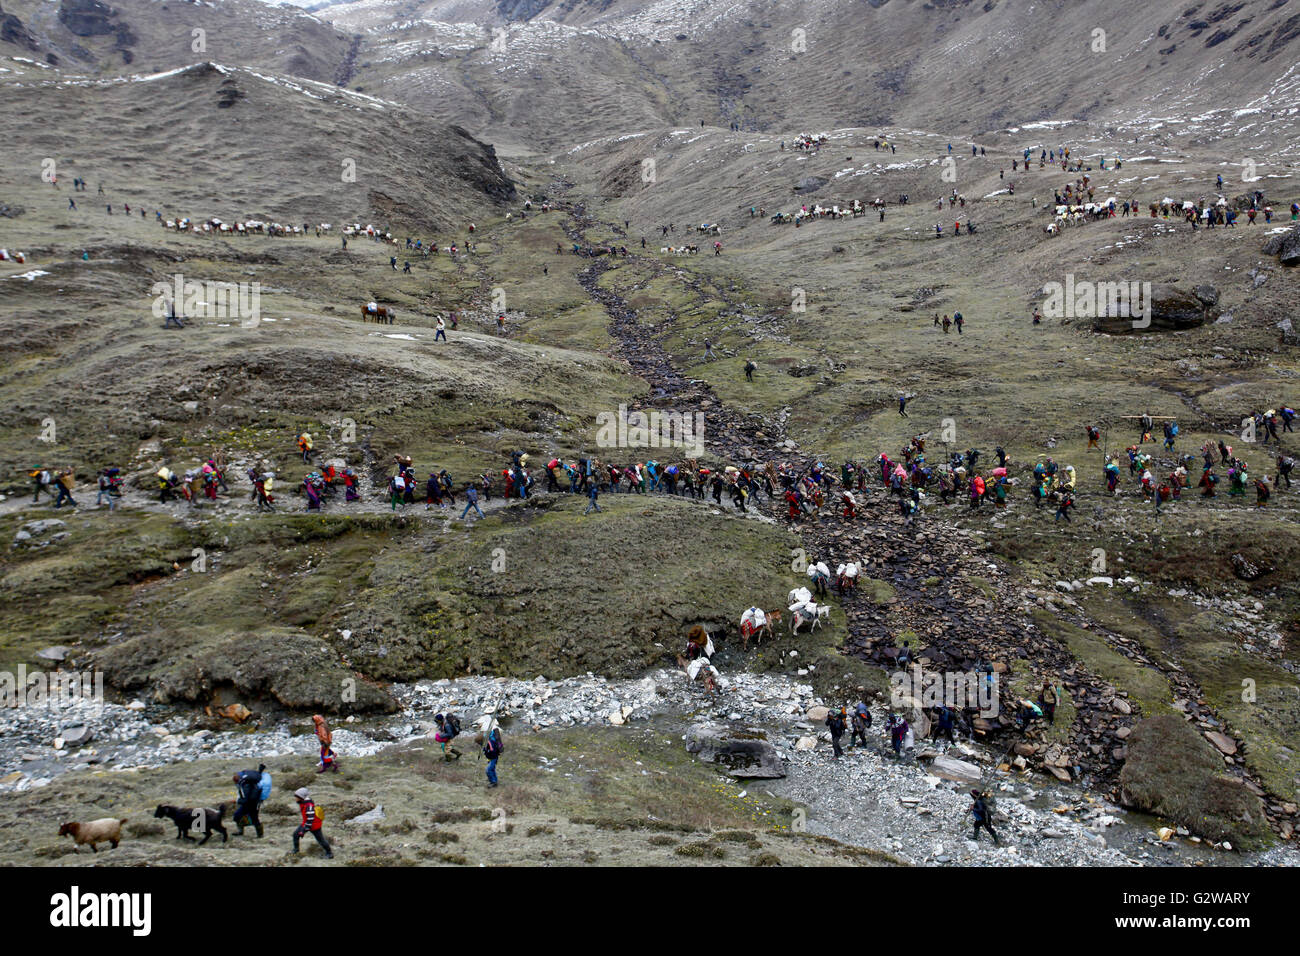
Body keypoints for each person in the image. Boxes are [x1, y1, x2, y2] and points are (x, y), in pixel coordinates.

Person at [292, 788, 333, 858]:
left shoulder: (308, 806)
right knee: (295, 834)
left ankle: (329, 854)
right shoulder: (303, 802)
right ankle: (296, 850)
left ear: (301, 797)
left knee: (321, 840)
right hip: (306, 823)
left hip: (314, 826)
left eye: (296, 796)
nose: (295, 798)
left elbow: (310, 819)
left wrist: (303, 830)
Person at [232, 764, 267, 837]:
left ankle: (241, 831)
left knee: (237, 816)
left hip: (249, 803)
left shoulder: (243, 784)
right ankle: (260, 834)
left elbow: (245, 798)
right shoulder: (251, 782)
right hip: (256, 802)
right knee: (254, 818)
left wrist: (238, 801)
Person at [480, 724, 503, 788]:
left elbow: (492, 750)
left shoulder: (489, 742)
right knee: (492, 769)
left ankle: (493, 782)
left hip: (493, 757)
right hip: (491, 757)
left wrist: (487, 751)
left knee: (488, 770)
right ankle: (494, 780)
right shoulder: (488, 740)